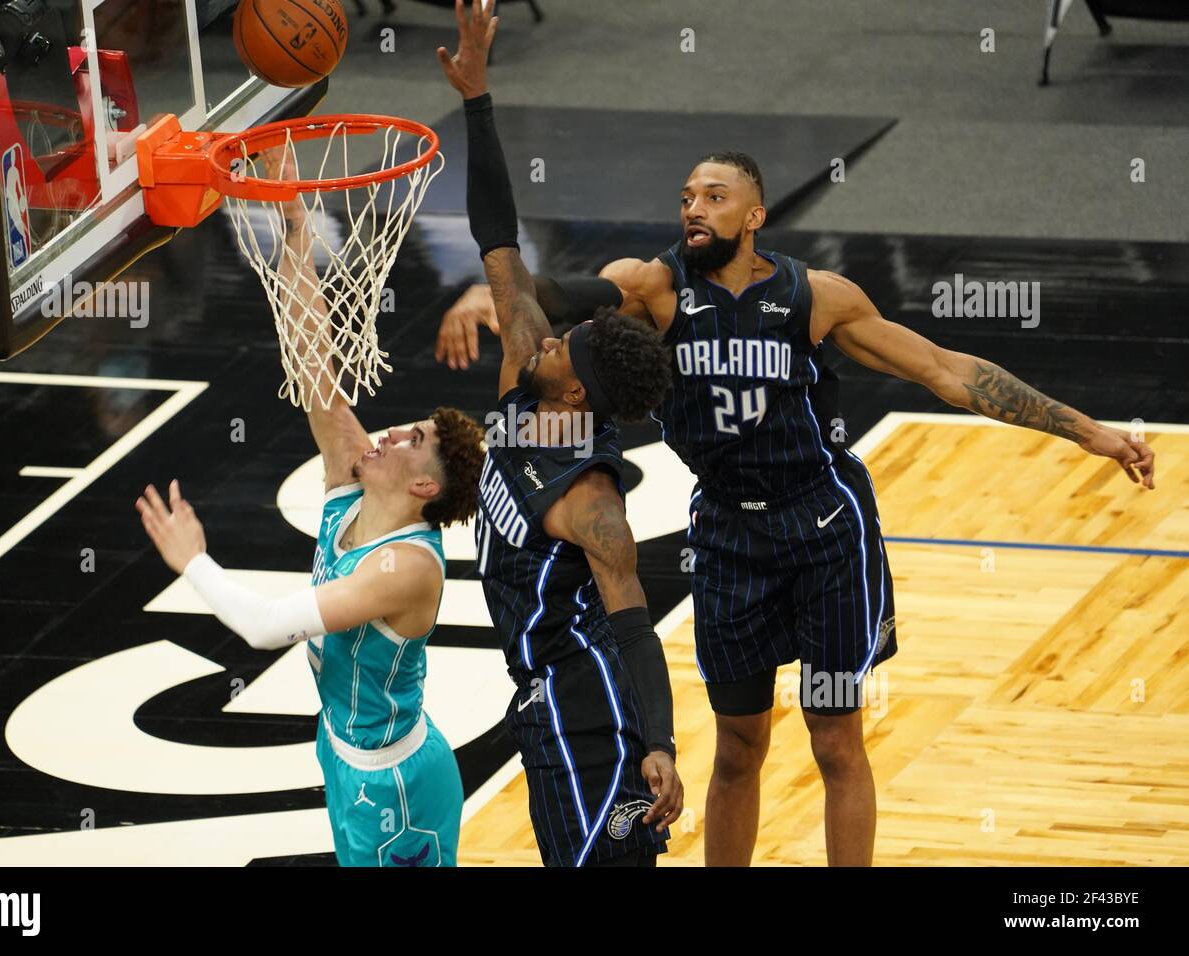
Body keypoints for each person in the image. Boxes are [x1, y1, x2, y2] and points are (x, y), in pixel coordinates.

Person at [435, 152, 1156, 867]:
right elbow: (551, 294)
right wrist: (488, 293)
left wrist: (1085, 429)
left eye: (714, 197)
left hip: (825, 537)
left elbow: (945, 370)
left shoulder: (817, 297)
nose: (693, 208)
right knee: (738, 744)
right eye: (686, 195)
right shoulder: (652, 289)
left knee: (836, 736)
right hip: (726, 537)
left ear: (754, 217)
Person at [136, 147, 486, 866]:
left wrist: (192, 561)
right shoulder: (355, 478)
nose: (391, 433)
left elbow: (266, 629)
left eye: (412, 439)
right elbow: (312, 361)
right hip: (344, 747)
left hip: (396, 787)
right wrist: (296, 228)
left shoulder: (408, 569)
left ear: (426, 487)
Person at [435, 0, 682, 866]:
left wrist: (662, 746)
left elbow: (635, 626)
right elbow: (495, 235)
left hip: (596, 721)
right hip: (540, 702)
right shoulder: (522, 385)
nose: (540, 333)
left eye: (559, 341)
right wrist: (477, 97)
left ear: (575, 387)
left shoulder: (592, 500)